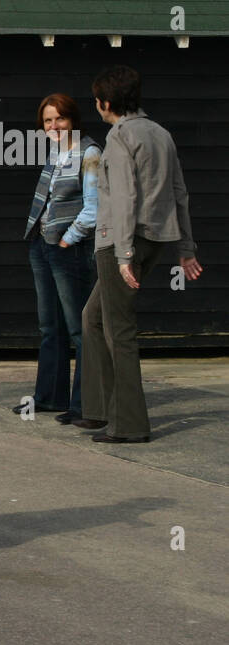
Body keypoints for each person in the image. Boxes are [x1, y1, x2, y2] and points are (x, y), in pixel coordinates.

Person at [79, 66, 202, 444]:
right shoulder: (161, 134)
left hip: (121, 240)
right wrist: (185, 249)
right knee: (93, 317)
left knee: (119, 329)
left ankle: (129, 424)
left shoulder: (119, 136)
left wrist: (123, 253)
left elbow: (126, 195)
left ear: (105, 103)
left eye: (97, 101)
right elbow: (180, 192)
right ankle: (101, 410)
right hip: (156, 238)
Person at [19, 94, 101, 423]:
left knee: (79, 329)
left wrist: (68, 239)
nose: (53, 126)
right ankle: (50, 397)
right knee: (49, 327)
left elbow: (94, 207)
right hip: (42, 244)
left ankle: (83, 405)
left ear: (73, 120)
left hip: (70, 248)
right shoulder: (56, 151)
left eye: (59, 119)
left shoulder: (90, 153)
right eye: (48, 120)